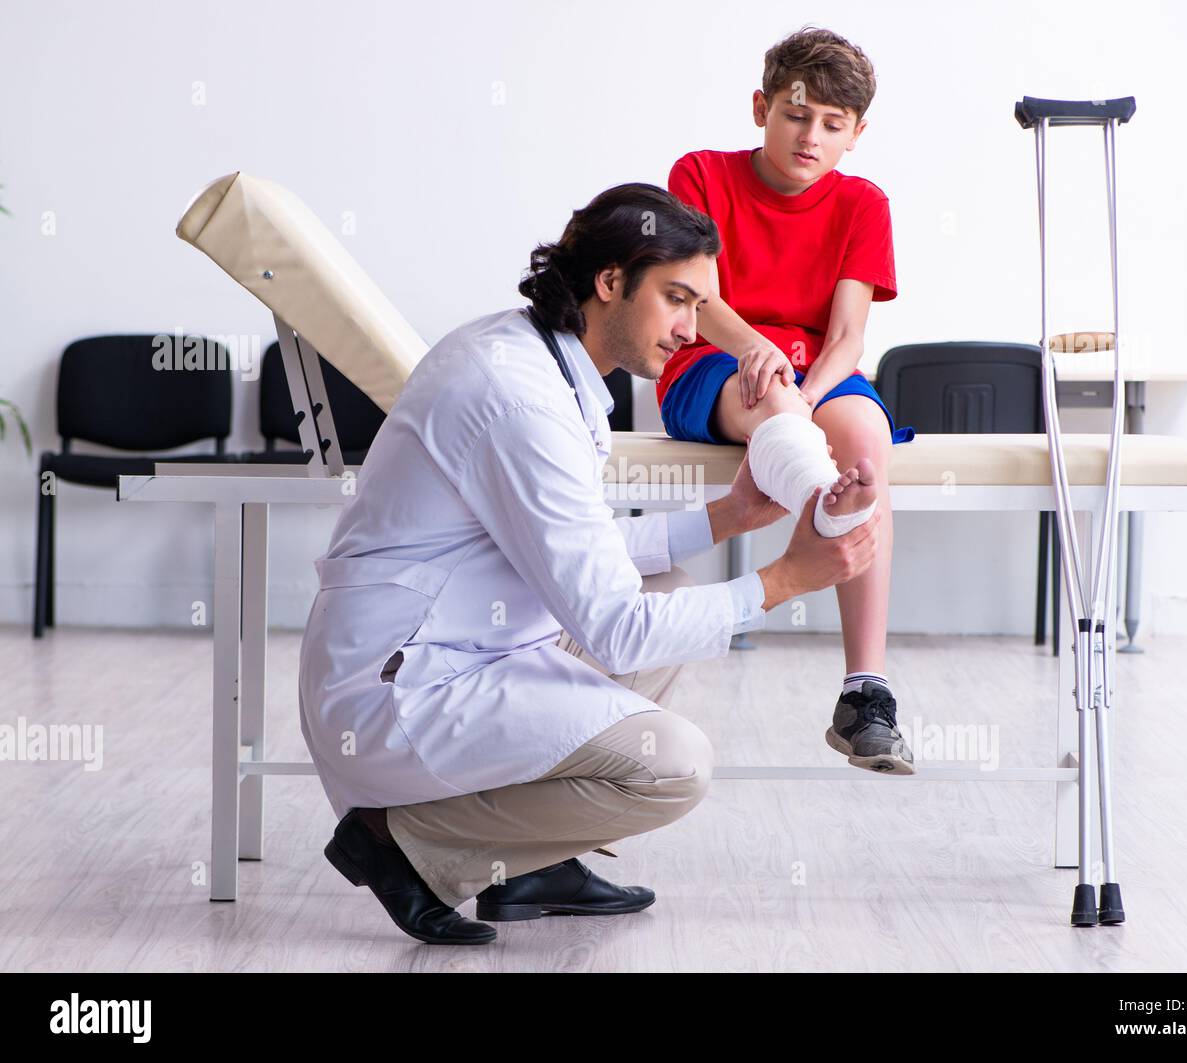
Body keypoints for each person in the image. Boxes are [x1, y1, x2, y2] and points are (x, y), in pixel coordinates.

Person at [298, 183, 881, 945]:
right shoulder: (520, 401)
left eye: (700, 307)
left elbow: (580, 550)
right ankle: (402, 838)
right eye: (677, 299)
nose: (690, 329)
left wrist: (728, 516)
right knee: (674, 763)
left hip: (459, 640)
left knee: (668, 584)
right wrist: (785, 580)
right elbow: (614, 629)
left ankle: (532, 862)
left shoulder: (536, 358)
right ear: (610, 282)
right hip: (395, 684)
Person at [655, 26, 917, 775]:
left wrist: (804, 398)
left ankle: (866, 691)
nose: (811, 136)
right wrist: (756, 356)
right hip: (712, 363)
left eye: (833, 125)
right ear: (761, 106)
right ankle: (819, 498)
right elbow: (692, 299)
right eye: (797, 115)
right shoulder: (700, 174)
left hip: (813, 378)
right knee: (769, 393)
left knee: (865, 433)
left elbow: (846, 339)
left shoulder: (862, 203)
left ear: (855, 134)